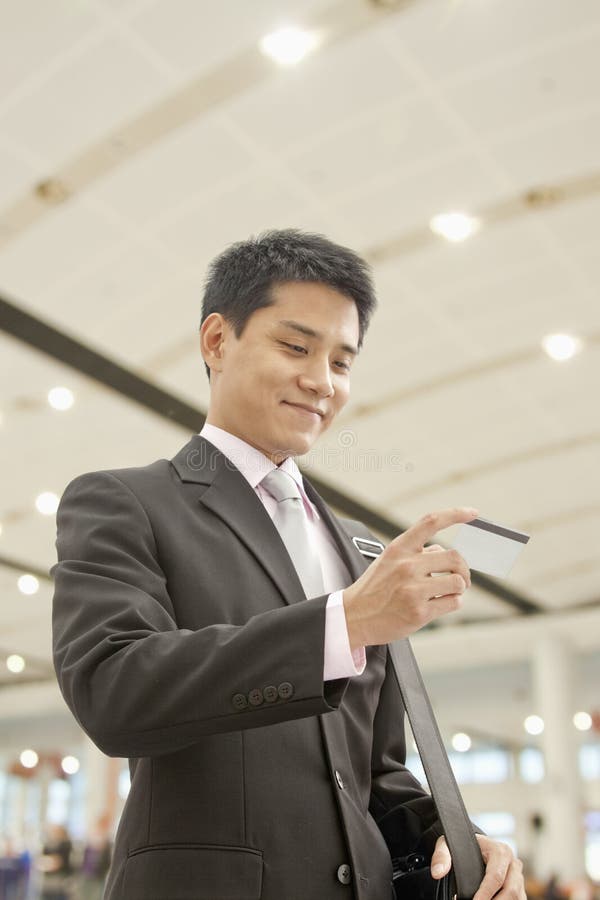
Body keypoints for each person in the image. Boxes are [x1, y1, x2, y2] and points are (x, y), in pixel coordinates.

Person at [52, 230, 525, 900]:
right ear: (217, 341)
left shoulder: (359, 546)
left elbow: (373, 773)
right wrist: (341, 624)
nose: (322, 381)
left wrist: (449, 835)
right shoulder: (126, 502)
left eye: (342, 362)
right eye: (296, 347)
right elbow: (113, 692)